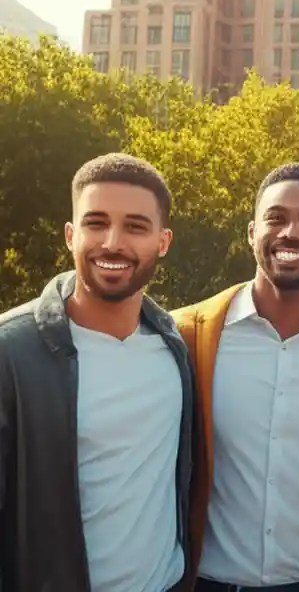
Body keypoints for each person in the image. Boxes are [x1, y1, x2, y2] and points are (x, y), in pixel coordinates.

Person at [173, 163, 299, 592]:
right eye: (276, 218)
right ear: (252, 233)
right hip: (200, 582)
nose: (291, 233)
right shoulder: (187, 337)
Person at [0, 153, 194, 591]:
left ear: (163, 242)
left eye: (135, 226)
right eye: (96, 223)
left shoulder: (175, 347)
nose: (112, 242)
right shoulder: (11, 353)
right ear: (71, 235)